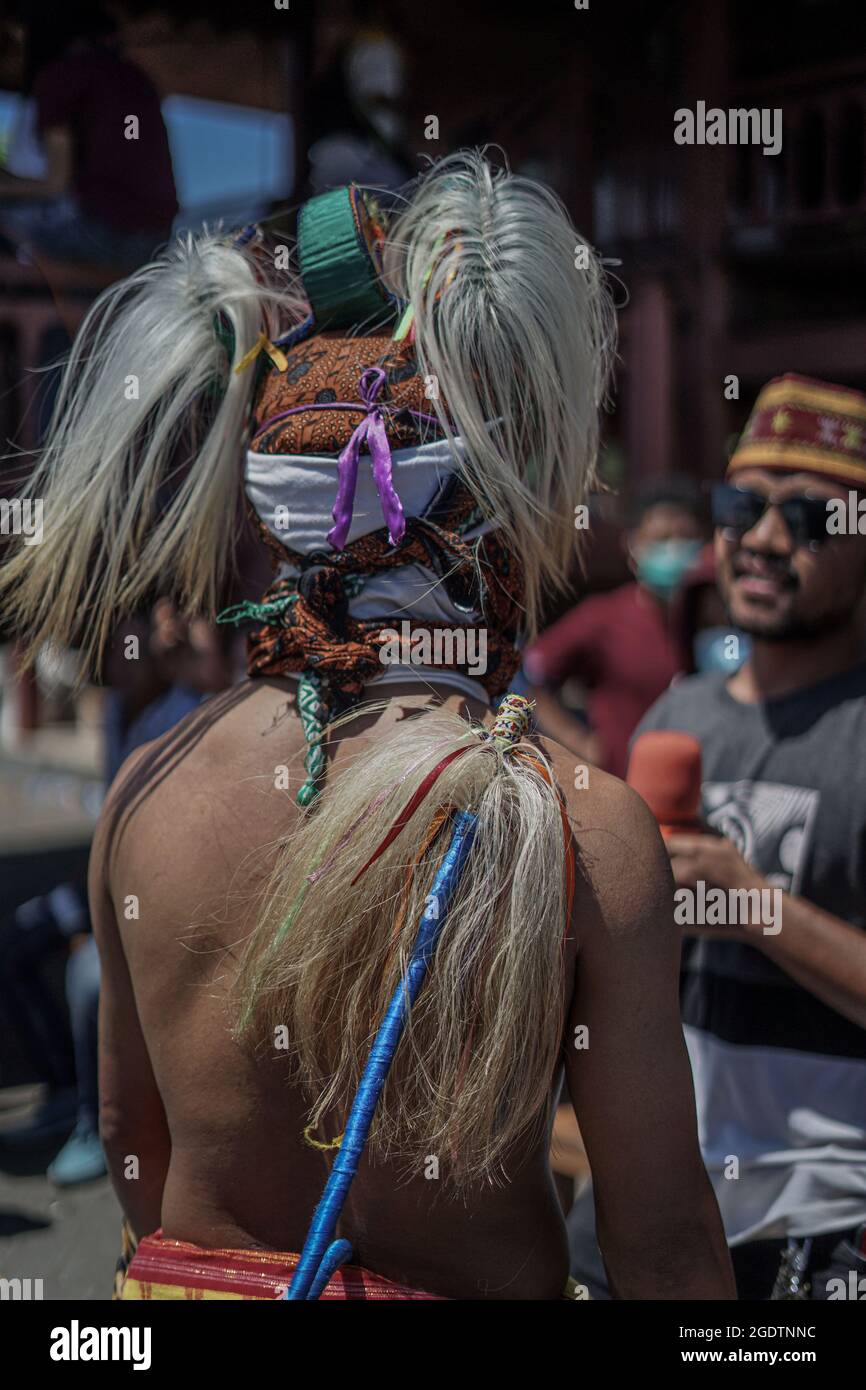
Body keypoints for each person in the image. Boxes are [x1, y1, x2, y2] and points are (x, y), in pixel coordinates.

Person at [0, 154, 733, 1300]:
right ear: (502, 504)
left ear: (272, 515)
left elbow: (133, 1154)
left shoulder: (150, 788)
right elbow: (663, 1243)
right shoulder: (585, 828)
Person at [636, 373, 866, 1299]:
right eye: (742, 507)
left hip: (828, 1224)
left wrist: (751, 901)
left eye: (811, 519)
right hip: (666, 1213)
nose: (766, 540)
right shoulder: (675, 711)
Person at [524, 478, 707, 777]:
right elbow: (528, 677)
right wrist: (579, 743)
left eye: (684, 538)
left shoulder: (713, 620)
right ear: (633, 545)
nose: (673, 550)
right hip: (624, 789)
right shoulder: (603, 617)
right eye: (661, 540)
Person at [0, 2, 177, 270]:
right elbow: (127, 144)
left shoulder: (63, 76)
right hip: (155, 240)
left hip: (99, 233)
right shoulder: (138, 80)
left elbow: (55, 184)